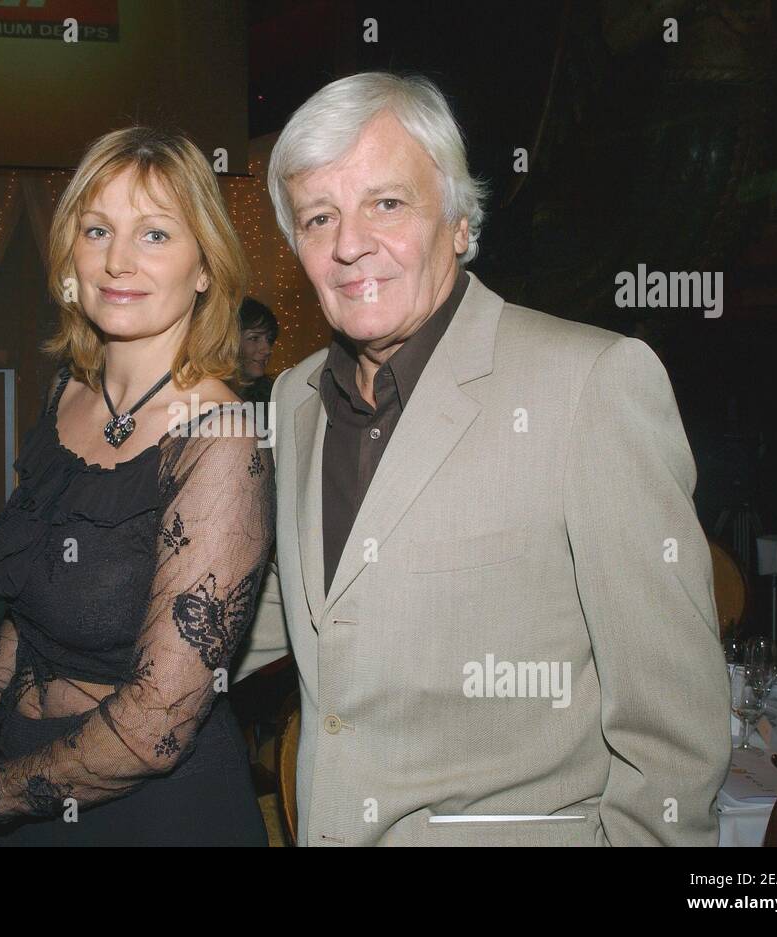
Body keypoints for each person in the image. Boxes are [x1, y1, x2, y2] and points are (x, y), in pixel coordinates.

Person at [243, 71, 731, 845]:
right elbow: (300, 604)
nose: (348, 243)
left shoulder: (591, 384)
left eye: (387, 203)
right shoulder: (296, 397)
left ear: (461, 224)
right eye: (318, 216)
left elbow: (674, 733)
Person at [0, 126, 274, 846]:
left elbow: (157, 723)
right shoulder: (66, 395)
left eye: (155, 234)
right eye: (97, 229)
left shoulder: (220, 436)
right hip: (27, 773)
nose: (118, 259)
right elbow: (32, 610)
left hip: (154, 815)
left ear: (206, 266)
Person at [237, 297, 279, 405]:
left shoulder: (274, 398)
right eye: (254, 338)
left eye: (269, 340)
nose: (267, 350)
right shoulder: (204, 393)